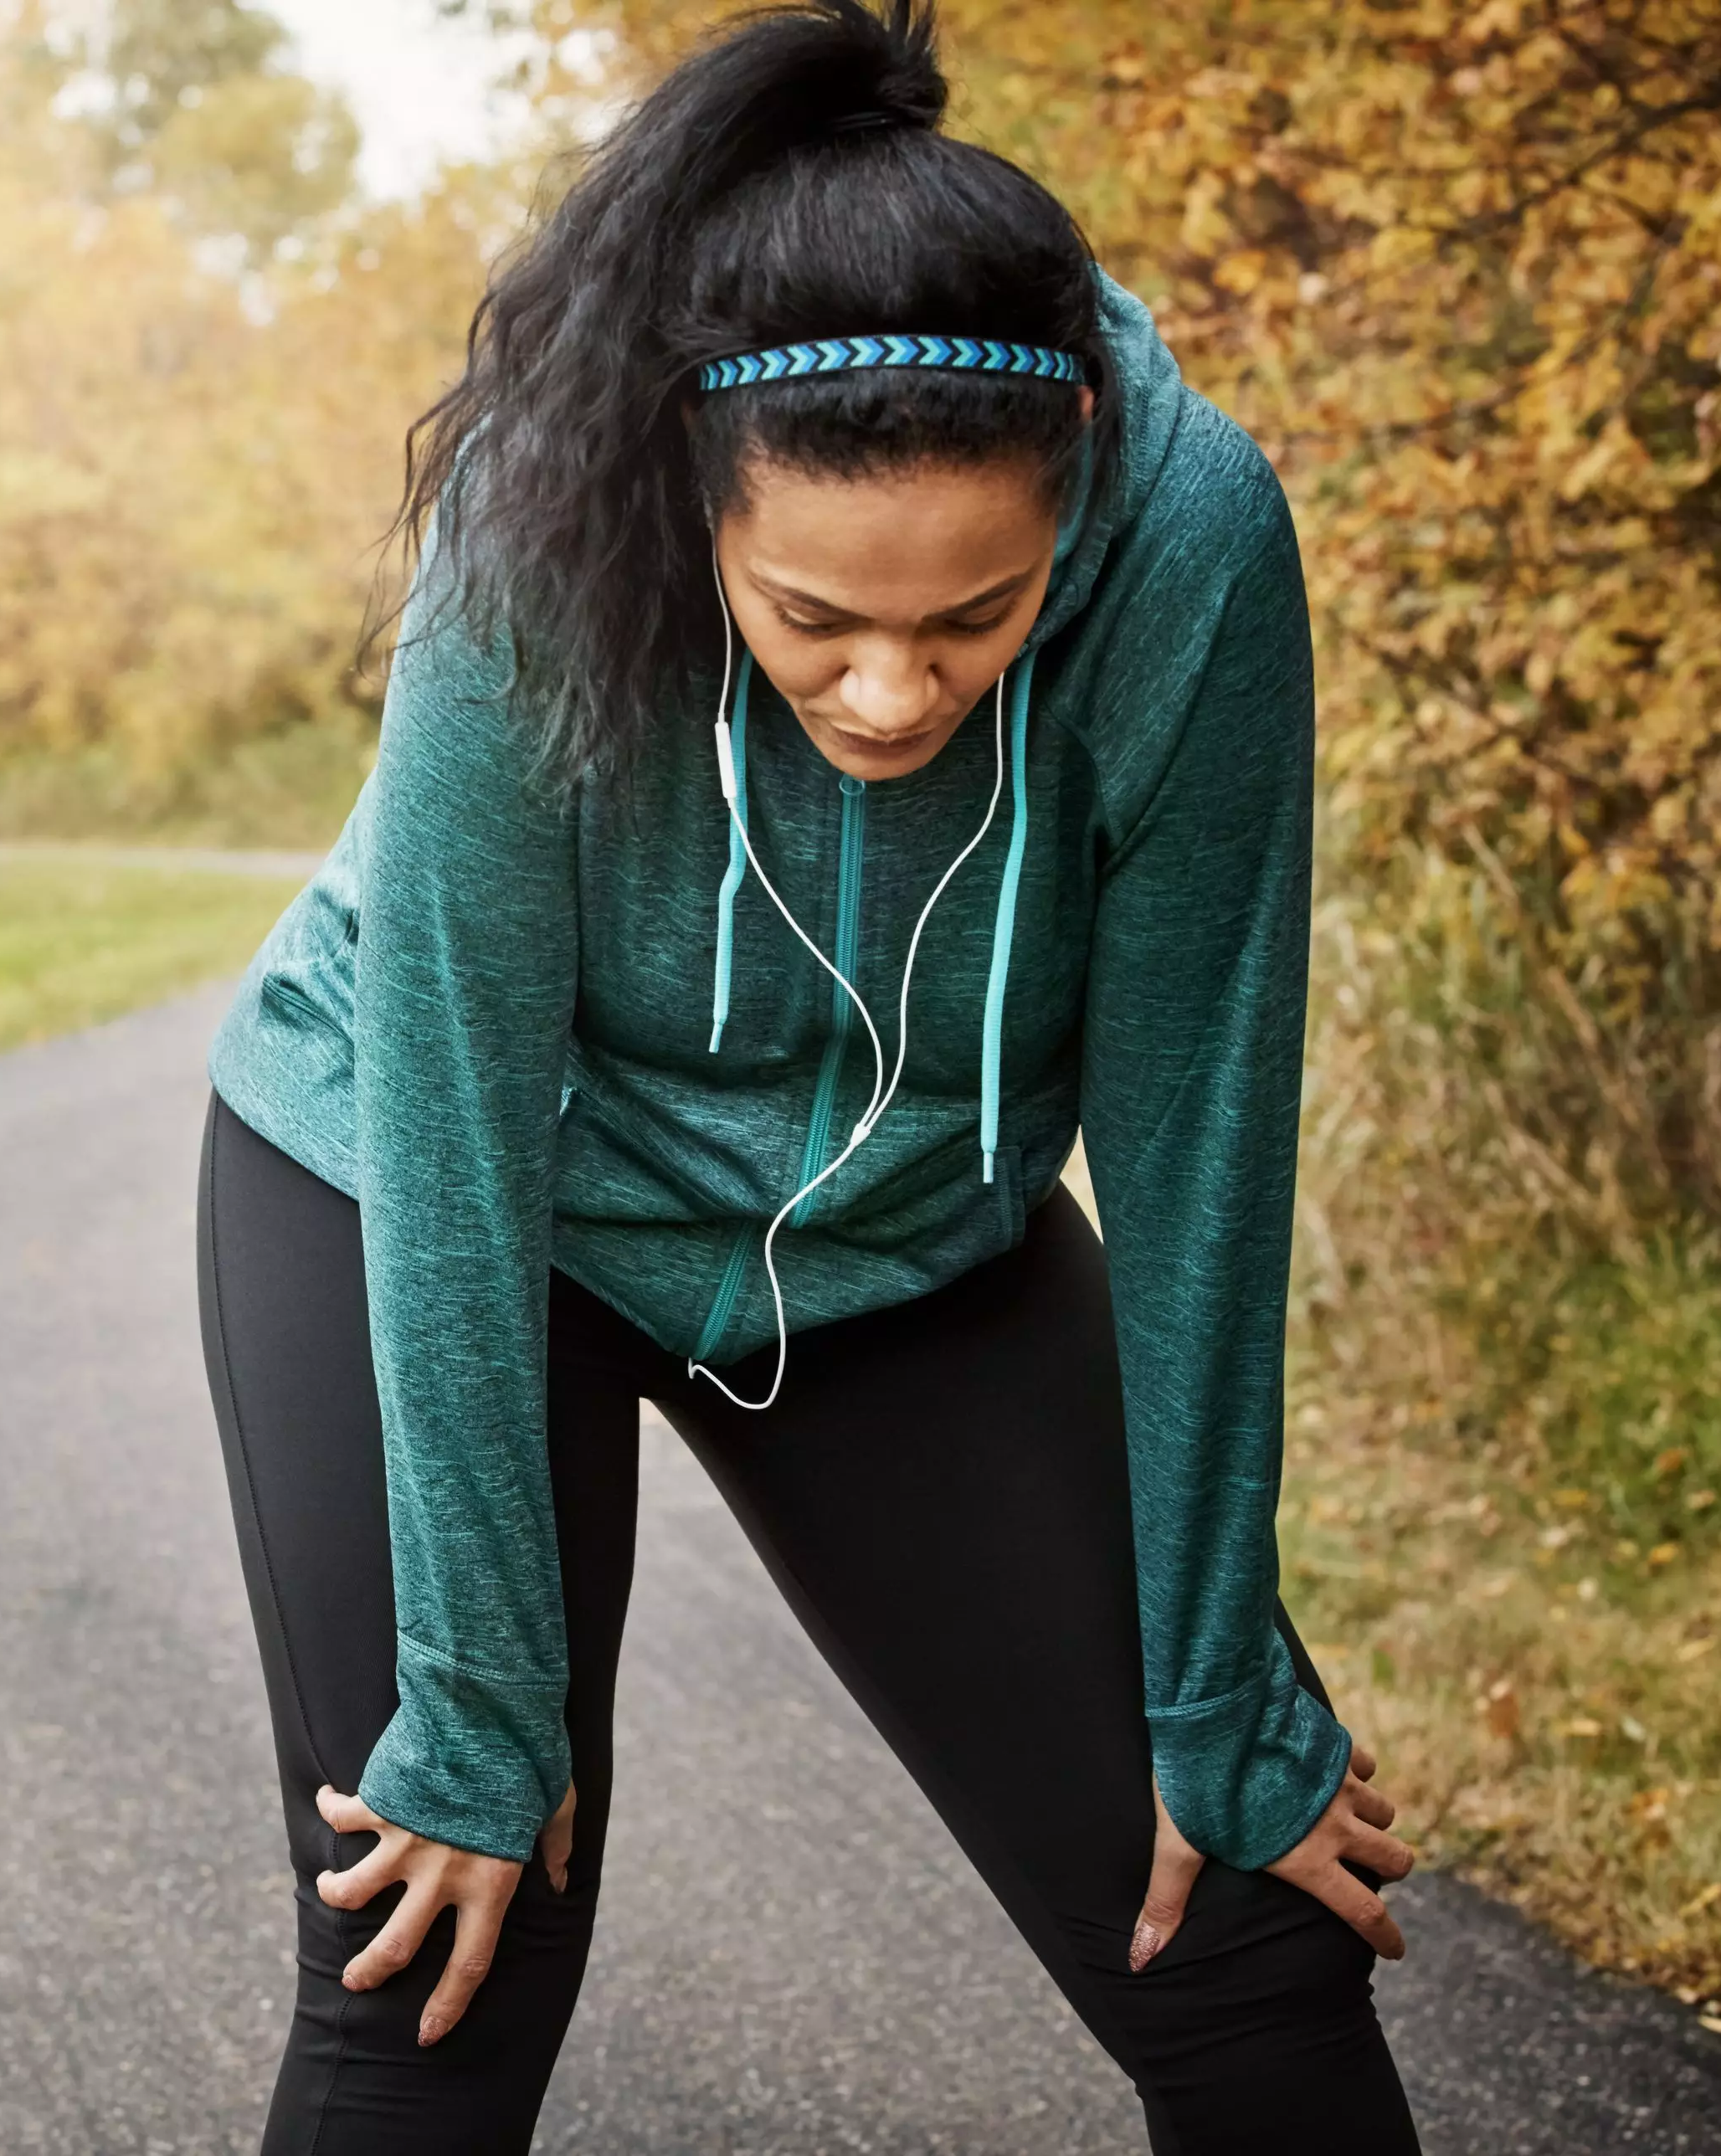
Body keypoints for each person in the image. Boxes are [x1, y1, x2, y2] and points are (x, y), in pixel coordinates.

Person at [192, 3, 1425, 2149]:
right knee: (444, 1955)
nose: (891, 688)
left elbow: (1202, 1128)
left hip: (898, 1238)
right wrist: (483, 1717)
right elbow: (461, 1109)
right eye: (814, 617)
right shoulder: (541, 522)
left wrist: (1218, 1673)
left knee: (1246, 1930)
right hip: (439, 1183)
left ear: (1077, 503)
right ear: (702, 504)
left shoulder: (1198, 542)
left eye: (978, 618)